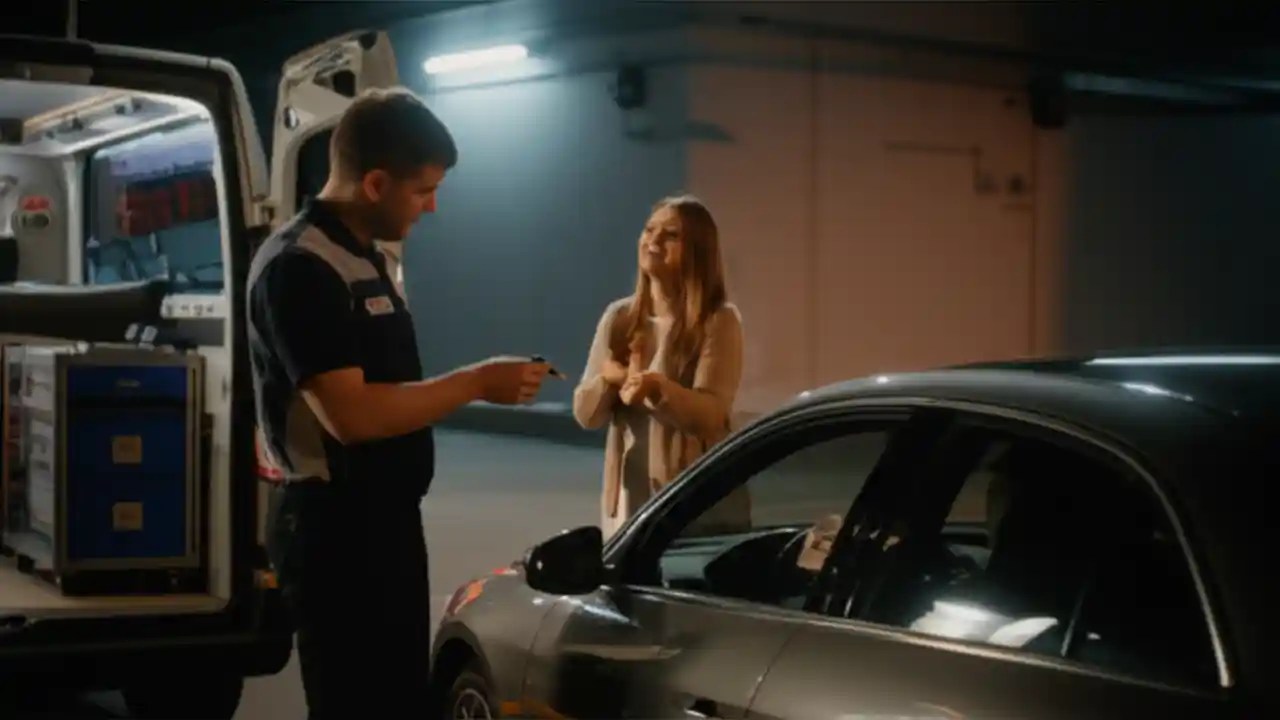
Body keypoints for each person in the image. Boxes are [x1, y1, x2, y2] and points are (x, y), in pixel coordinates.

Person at [245, 87, 550, 719]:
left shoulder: (360, 257)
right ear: (376, 183)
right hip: (334, 532)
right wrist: (474, 383)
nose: (432, 206)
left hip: (382, 524)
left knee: (398, 701)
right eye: (422, 190)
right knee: (357, 703)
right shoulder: (301, 268)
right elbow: (350, 416)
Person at [572, 194, 746, 540]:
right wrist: (608, 381)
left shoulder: (718, 321)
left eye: (670, 234)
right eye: (649, 229)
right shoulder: (620, 317)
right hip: (627, 507)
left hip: (691, 508)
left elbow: (711, 414)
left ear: (697, 250)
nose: (653, 240)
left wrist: (656, 388)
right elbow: (586, 414)